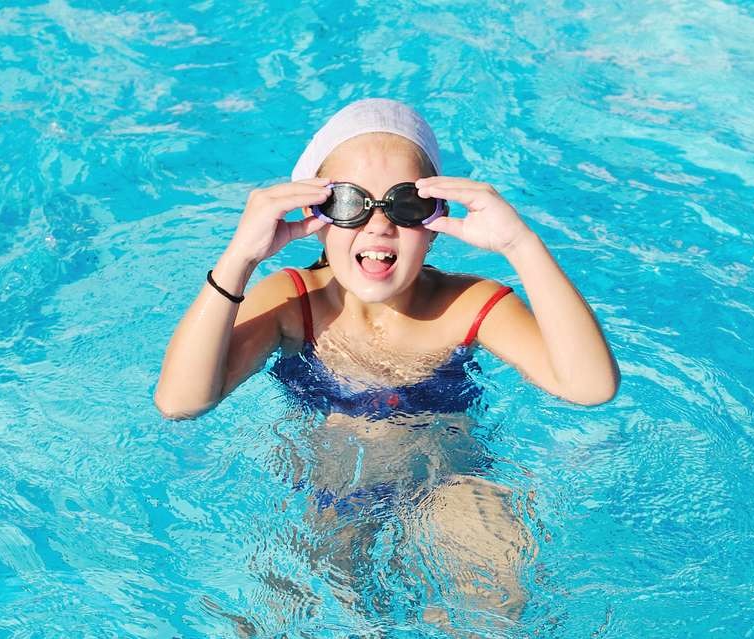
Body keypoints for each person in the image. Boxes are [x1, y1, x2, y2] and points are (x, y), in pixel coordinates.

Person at [154, 97, 619, 422]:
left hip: (448, 478)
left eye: (406, 204)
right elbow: (181, 402)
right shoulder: (294, 303)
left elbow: (590, 388)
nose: (378, 225)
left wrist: (522, 244)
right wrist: (240, 258)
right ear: (315, 214)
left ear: (435, 221)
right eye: (349, 203)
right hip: (331, 479)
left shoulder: (471, 307)